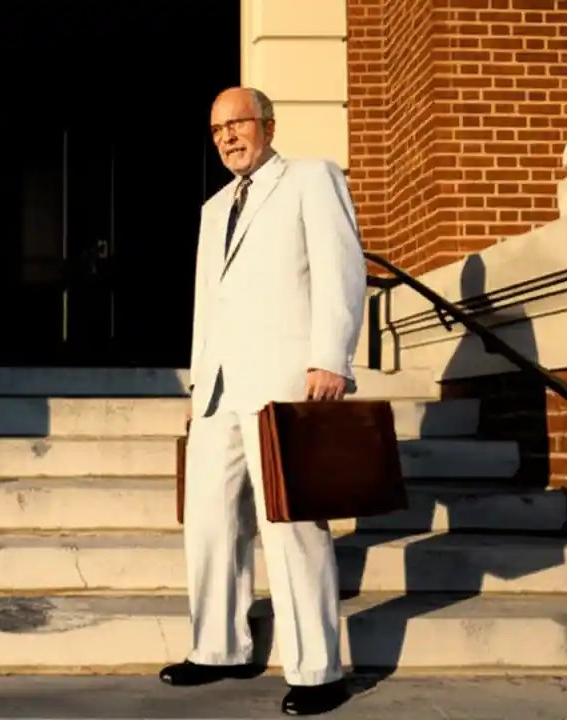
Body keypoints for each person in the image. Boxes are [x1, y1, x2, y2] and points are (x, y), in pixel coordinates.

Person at [160, 87, 366, 716]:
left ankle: (317, 670)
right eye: (217, 129)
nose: (227, 137)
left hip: (283, 383)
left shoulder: (311, 179)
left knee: (292, 527)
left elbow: (340, 268)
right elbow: (208, 305)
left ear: (268, 126)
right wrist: (198, 383)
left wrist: (330, 358)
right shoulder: (214, 208)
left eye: (238, 123)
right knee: (210, 523)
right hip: (219, 391)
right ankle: (217, 648)